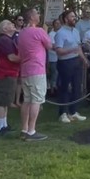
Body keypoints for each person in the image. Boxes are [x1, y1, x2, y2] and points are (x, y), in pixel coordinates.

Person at [16, 8, 52, 141]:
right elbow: (49, 46)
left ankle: (24, 129)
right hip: (37, 70)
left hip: (25, 70)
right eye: (37, 13)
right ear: (31, 17)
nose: (39, 14)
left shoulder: (22, 33)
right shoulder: (39, 31)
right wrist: (46, 32)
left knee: (27, 100)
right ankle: (31, 131)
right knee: (36, 100)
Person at [52, 9, 88, 124]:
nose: (74, 18)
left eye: (74, 16)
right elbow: (59, 51)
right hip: (65, 63)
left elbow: (79, 48)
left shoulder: (76, 31)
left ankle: (73, 111)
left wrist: (84, 59)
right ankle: (62, 113)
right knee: (64, 88)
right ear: (66, 19)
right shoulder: (60, 33)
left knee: (77, 87)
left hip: (76, 61)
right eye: (72, 16)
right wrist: (72, 50)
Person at [0, 20, 20, 135]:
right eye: (9, 24)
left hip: (10, 73)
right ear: (4, 29)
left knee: (6, 101)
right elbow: (12, 58)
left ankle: (4, 124)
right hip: (5, 73)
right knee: (2, 101)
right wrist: (26, 58)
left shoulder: (8, 40)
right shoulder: (5, 40)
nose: (12, 24)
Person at [46, 17, 61, 95]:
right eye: (56, 23)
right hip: (53, 57)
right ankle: (52, 89)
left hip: (60, 57)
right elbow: (51, 45)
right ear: (53, 25)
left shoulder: (61, 33)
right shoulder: (51, 34)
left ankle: (58, 88)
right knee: (54, 73)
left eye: (59, 23)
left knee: (59, 73)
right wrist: (59, 48)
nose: (58, 25)